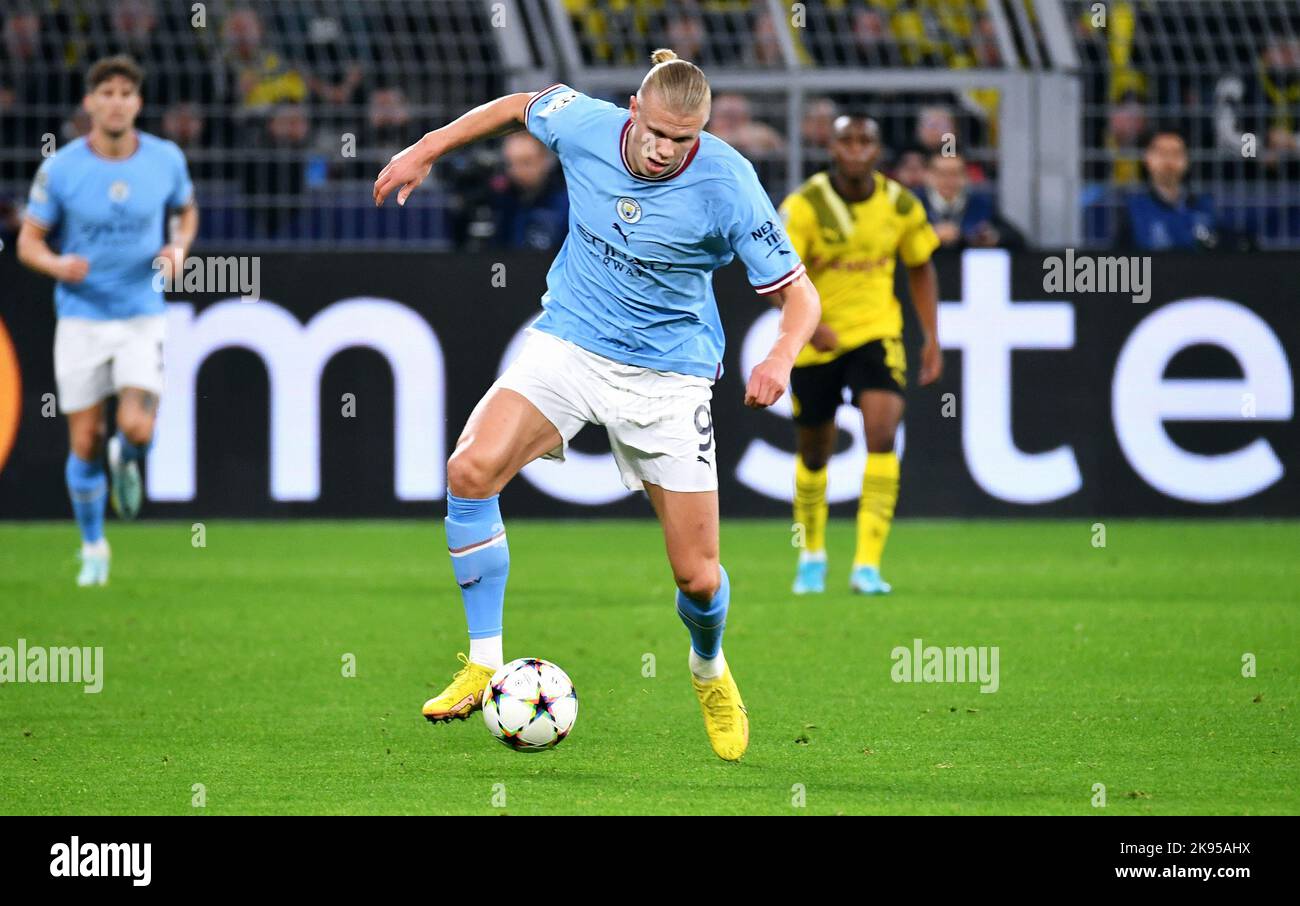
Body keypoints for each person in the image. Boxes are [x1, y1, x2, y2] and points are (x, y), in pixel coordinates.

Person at [373, 49, 820, 762]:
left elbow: (801, 295)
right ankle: (485, 659)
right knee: (469, 471)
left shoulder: (728, 181)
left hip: (669, 379)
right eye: (659, 134)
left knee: (697, 577)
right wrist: (424, 149)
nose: (669, 150)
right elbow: (517, 104)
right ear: (635, 113)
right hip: (571, 346)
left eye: (686, 139)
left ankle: (707, 665)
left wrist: (777, 356)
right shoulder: (584, 123)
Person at [16, 55, 198, 586]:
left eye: (125, 92)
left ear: (137, 102)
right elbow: (29, 241)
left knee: (136, 427)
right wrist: (55, 264)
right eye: (106, 92)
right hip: (81, 317)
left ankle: (128, 457)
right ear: (90, 103)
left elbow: (186, 210)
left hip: (141, 313)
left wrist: (180, 247)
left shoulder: (165, 159)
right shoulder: (63, 168)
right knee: (86, 441)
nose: (116, 101)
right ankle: (94, 546)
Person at [779, 115, 941, 596]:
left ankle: (867, 565)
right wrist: (812, 321)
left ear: (877, 151)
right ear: (831, 148)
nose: (855, 149)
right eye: (846, 140)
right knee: (815, 450)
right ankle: (812, 555)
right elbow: (775, 274)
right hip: (817, 338)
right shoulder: (805, 204)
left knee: (883, 432)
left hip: (878, 333)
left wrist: (931, 335)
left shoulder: (900, 204)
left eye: (865, 141)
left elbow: (920, 266)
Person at [1113, 127, 1219, 251]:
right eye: (1161, 153)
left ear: (1186, 160)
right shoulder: (1131, 209)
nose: (1168, 161)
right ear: (1146, 157)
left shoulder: (1205, 207)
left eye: (1176, 153)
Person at [923, 151, 1024, 250]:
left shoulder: (980, 205)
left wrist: (993, 237)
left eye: (955, 174)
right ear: (928, 175)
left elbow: (1017, 239)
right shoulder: (917, 205)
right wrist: (930, 235)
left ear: (966, 176)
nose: (948, 180)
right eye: (942, 174)